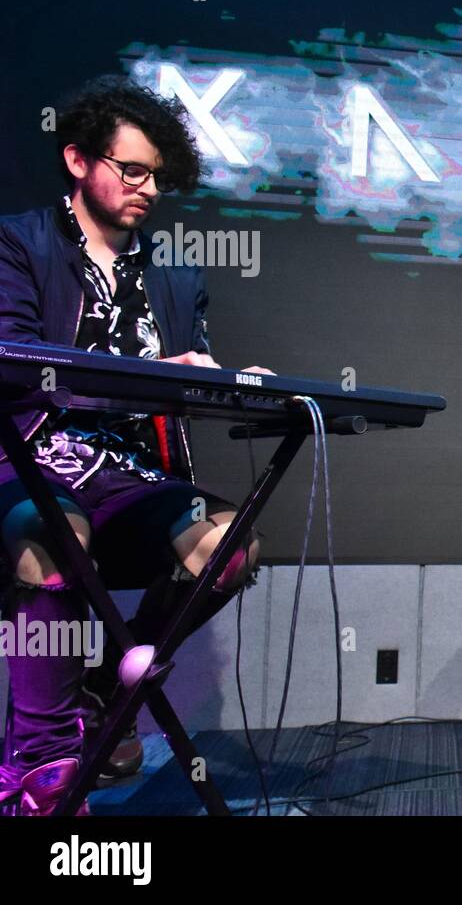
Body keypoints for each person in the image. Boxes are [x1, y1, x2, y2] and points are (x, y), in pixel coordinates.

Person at [0, 76, 269, 815]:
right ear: (80, 160)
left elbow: (186, 381)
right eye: (133, 169)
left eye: (159, 175)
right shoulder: (18, 244)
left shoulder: (176, 277)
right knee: (53, 530)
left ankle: (107, 690)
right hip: (27, 459)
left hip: (128, 477)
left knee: (230, 546)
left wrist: (236, 384)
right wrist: (156, 373)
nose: (149, 188)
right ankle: (42, 759)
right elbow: (16, 364)